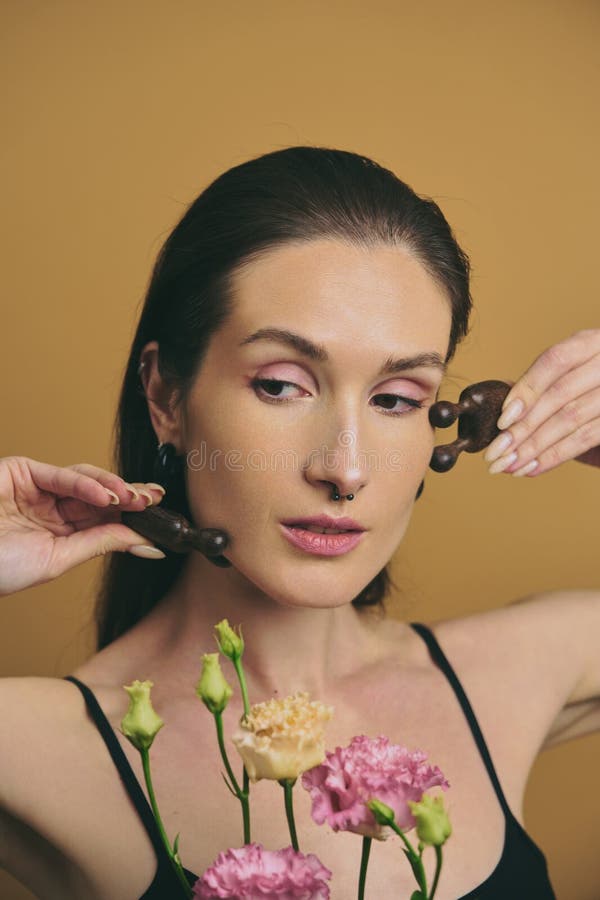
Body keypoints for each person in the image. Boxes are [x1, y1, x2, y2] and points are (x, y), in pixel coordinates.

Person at [0, 146, 598, 900]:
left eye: (397, 399)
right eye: (282, 385)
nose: (345, 469)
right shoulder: (51, 749)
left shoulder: (514, 673)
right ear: (166, 396)